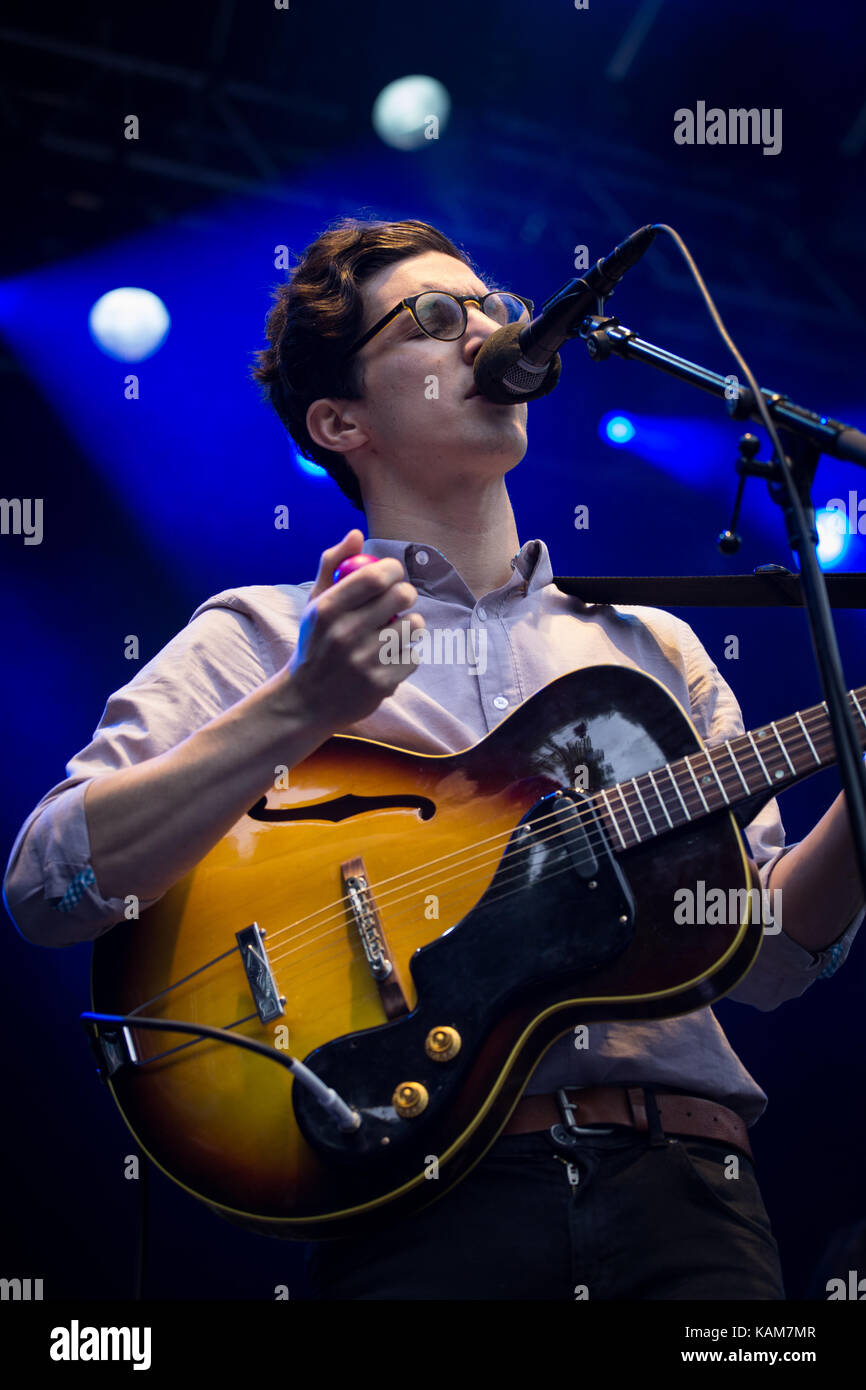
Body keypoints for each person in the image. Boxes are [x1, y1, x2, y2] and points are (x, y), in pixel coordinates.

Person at [4, 217, 863, 1301]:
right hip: (419, 1210)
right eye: (436, 318)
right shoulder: (266, 635)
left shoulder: (654, 647)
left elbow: (774, 955)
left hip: (683, 1194)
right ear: (339, 419)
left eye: (491, 306)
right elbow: (49, 884)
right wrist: (299, 705)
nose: (489, 332)